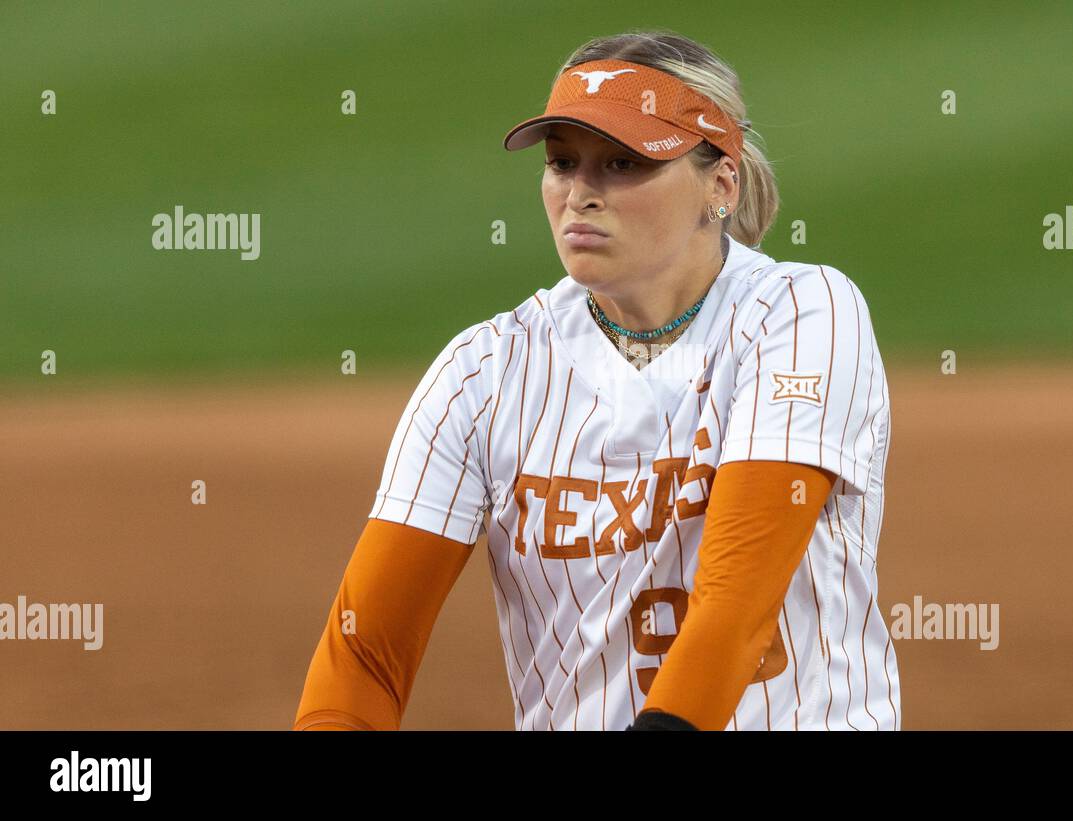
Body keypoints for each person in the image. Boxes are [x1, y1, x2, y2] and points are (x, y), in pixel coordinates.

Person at [293, 29, 897, 731]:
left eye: (621, 162)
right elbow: (367, 650)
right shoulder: (483, 371)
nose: (581, 192)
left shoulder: (803, 313)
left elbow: (736, 604)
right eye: (562, 163)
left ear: (720, 185)